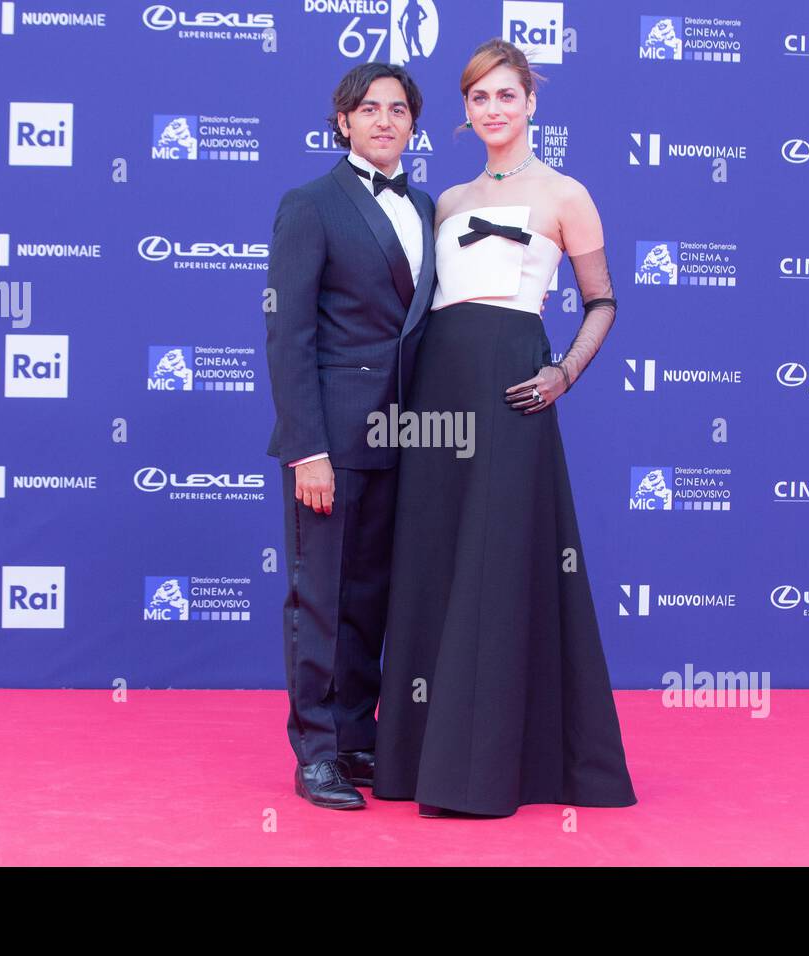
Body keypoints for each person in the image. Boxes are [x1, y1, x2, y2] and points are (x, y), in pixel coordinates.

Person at [372, 38, 638, 817]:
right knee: (432, 560)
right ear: (465, 110)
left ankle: (490, 770)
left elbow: (603, 301)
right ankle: (417, 762)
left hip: (512, 385)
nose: (493, 109)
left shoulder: (566, 194)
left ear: (530, 104)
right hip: (437, 389)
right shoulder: (445, 202)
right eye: (479, 98)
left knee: (500, 562)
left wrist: (564, 372)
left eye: (506, 96)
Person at [264, 63, 437, 810]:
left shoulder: (428, 206)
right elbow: (288, 335)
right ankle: (317, 753)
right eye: (369, 109)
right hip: (330, 440)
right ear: (343, 122)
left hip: (406, 436)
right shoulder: (310, 205)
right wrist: (307, 449)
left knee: (373, 597)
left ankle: (358, 736)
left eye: (398, 110)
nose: (385, 121)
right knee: (322, 598)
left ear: (412, 124)